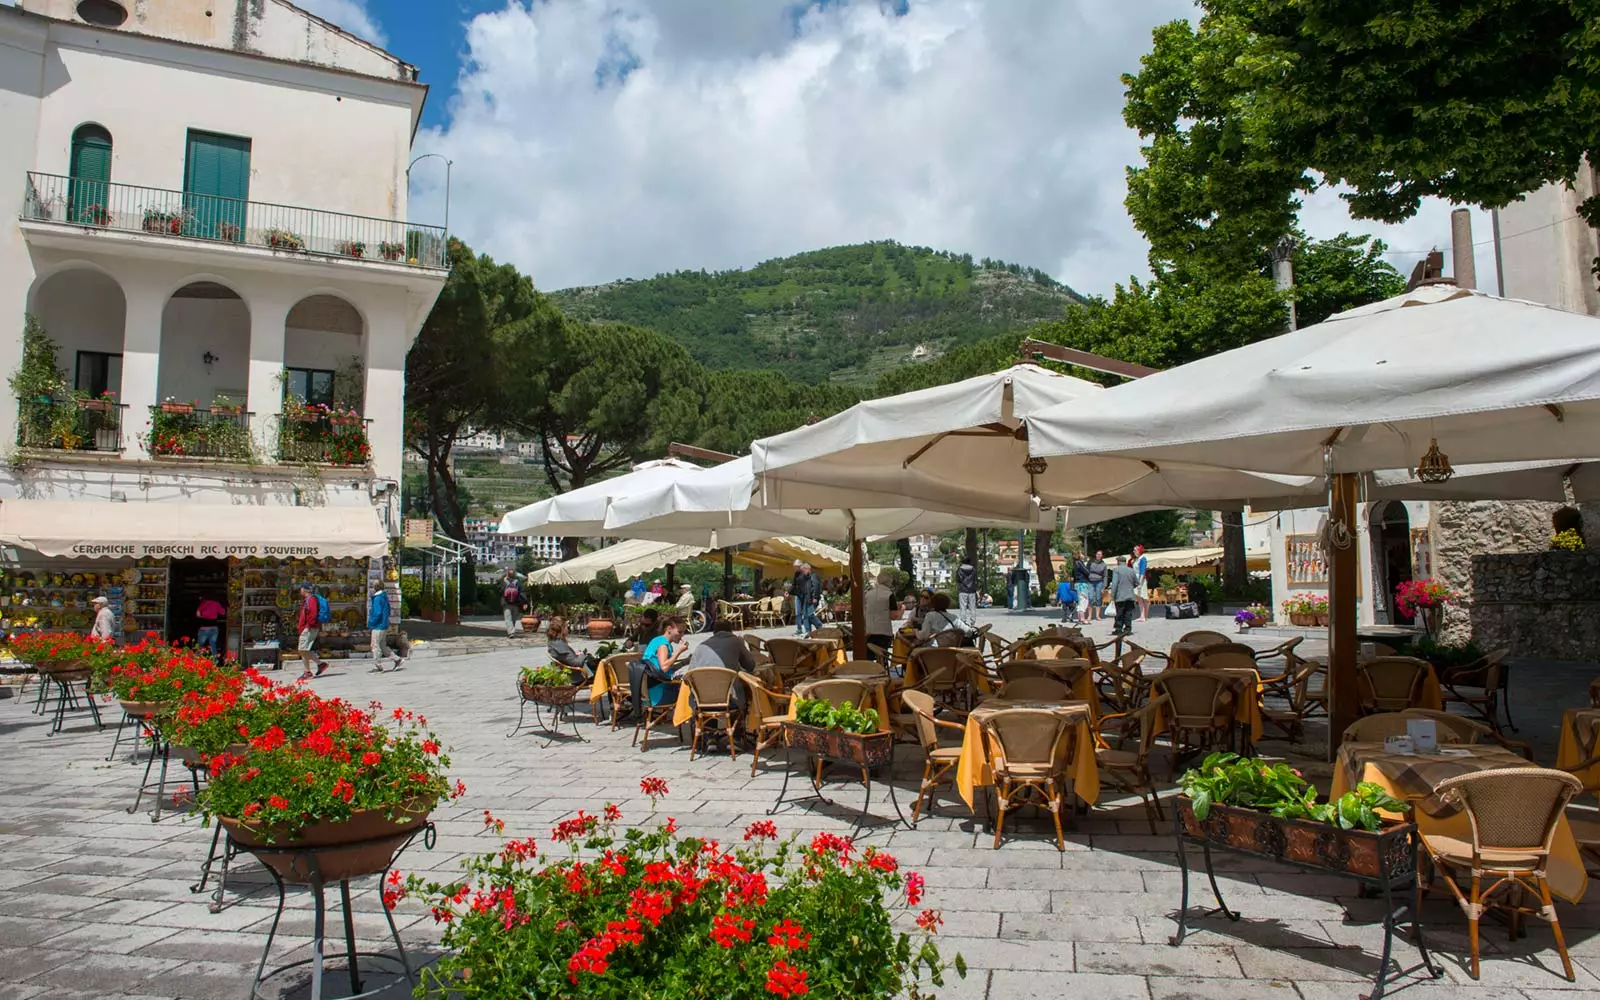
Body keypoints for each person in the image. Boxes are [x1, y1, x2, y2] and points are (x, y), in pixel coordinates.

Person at [628, 615, 689, 718]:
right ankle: (689, 722)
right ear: (669, 629)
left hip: (646, 692)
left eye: (683, 632)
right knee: (689, 692)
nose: (682, 636)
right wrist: (679, 651)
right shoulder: (663, 644)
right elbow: (664, 667)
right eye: (679, 632)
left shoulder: (657, 640)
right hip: (657, 695)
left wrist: (685, 661)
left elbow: (661, 668)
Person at [294, 583, 328, 679]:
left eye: (301, 588)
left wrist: (308, 626)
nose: (300, 590)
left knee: (302, 649)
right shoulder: (307, 600)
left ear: (304, 589)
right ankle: (320, 664)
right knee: (304, 649)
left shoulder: (311, 599)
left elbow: (313, 613)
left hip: (309, 628)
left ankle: (308, 672)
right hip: (308, 627)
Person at [546, 616, 595, 682]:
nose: (568, 629)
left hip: (573, 673)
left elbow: (568, 658)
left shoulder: (553, 642)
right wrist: (582, 654)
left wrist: (577, 655)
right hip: (576, 677)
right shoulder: (559, 645)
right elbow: (577, 663)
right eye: (566, 627)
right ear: (561, 629)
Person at [863, 568, 897, 658]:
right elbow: (894, 616)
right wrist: (901, 609)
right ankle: (882, 670)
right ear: (889, 582)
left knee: (869, 658)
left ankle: (870, 671)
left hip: (870, 631)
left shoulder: (868, 594)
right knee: (883, 657)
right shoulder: (889, 595)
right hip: (884, 632)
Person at [367, 581, 398, 672]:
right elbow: (388, 611)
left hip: (378, 625)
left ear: (375, 587)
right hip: (384, 624)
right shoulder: (384, 597)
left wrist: (371, 623)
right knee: (382, 645)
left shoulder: (377, 598)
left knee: (375, 645)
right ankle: (397, 659)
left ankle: (378, 665)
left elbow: (377, 613)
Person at [1107, 556, 1140, 637]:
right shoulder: (1131, 570)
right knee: (1128, 613)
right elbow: (1136, 583)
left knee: (1119, 613)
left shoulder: (1116, 570)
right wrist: (1130, 587)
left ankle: (1118, 629)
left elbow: (1114, 584)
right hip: (1130, 596)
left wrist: (1112, 595)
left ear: (1118, 562)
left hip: (1120, 596)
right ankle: (1128, 629)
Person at [794, 563, 823, 636]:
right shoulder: (808, 576)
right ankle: (808, 631)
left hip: (811, 599)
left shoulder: (813, 576)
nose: (802, 573)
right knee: (806, 616)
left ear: (807, 569)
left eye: (803, 571)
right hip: (807, 598)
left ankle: (820, 626)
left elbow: (816, 587)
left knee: (810, 615)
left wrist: (815, 597)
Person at [500, 568, 526, 638]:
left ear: (507, 574)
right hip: (516, 603)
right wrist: (524, 602)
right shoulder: (518, 582)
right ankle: (511, 631)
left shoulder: (504, 581)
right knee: (513, 619)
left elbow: (500, 591)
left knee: (508, 619)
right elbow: (522, 592)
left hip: (506, 603)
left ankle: (511, 632)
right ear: (514, 575)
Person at [1086, 551, 1108, 621]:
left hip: (1099, 582)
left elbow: (1105, 576)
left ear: (1102, 556)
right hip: (1090, 582)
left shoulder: (1104, 564)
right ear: (1095, 555)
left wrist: (1104, 586)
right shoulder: (1090, 562)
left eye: (1100, 554)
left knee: (1098, 598)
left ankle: (1097, 616)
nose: (1099, 555)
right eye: (1097, 554)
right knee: (1090, 598)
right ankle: (1089, 615)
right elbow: (1086, 571)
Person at [955, 559, 978, 625]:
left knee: (963, 606)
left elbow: (958, 579)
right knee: (972, 606)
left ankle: (963, 620)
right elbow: (975, 580)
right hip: (972, 590)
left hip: (962, 590)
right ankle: (973, 620)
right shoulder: (973, 570)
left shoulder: (959, 569)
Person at [1071, 551, 1092, 622]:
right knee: (1084, 600)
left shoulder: (1074, 563)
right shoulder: (1079, 562)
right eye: (1082, 554)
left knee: (1080, 600)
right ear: (1079, 555)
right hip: (1082, 583)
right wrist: (1087, 566)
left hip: (1077, 583)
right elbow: (1087, 572)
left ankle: (1080, 618)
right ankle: (1083, 618)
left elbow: (1073, 575)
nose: (1084, 555)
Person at [1134, 544, 1151, 622]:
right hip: (1136, 579)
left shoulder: (1142, 559)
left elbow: (1142, 572)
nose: (1134, 551)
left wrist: (1140, 583)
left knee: (1143, 598)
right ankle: (1142, 615)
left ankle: (1145, 615)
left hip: (1140, 580)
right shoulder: (1137, 559)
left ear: (1139, 551)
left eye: (1135, 550)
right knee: (1139, 598)